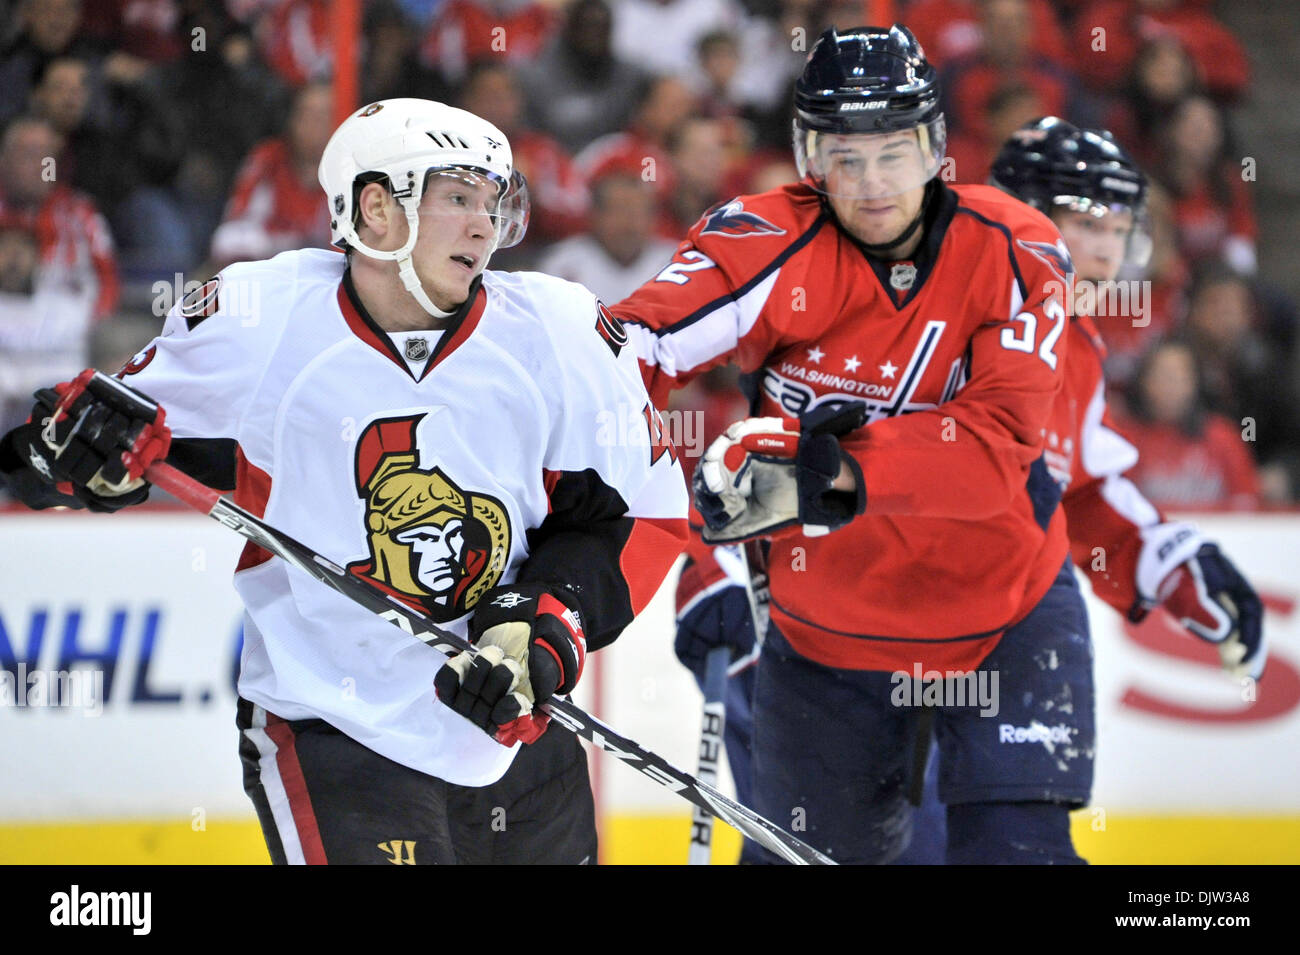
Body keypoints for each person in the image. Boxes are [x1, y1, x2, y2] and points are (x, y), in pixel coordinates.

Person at [0, 98, 689, 865]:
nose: (482, 225)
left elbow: (644, 513)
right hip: (335, 727)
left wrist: (544, 625)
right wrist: (65, 450)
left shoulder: (558, 333)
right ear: (376, 208)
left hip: (513, 726)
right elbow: (103, 454)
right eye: (458, 197)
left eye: (493, 202)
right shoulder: (260, 320)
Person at [616, 24, 1095, 865]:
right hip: (826, 630)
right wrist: (673, 528)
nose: (871, 184)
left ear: (936, 148)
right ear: (809, 158)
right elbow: (628, 359)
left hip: (1006, 608)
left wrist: (832, 470)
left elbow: (998, 451)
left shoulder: (1017, 252)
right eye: (845, 156)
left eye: (893, 152)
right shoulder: (764, 242)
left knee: (1017, 856)